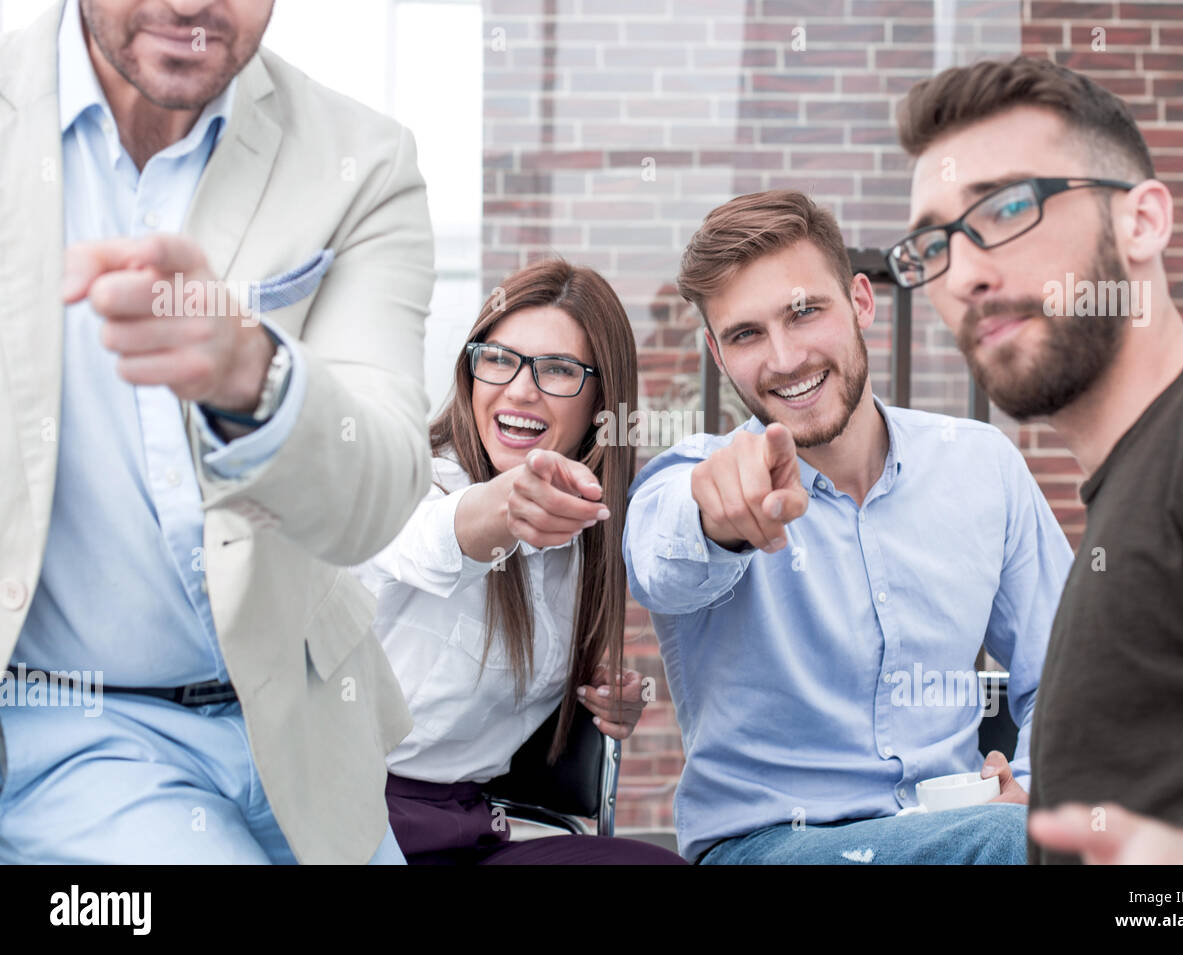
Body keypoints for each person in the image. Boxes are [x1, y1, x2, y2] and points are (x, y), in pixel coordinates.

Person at [0, 0, 436, 863]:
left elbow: (381, 485)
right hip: (79, 738)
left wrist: (255, 374)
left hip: (308, 738)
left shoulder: (364, 161)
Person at [893, 56, 1183, 864]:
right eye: (933, 244)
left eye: (1007, 207)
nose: (966, 272)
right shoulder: (1126, 494)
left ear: (1141, 222)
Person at [622, 190, 1074, 865]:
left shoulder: (982, 467)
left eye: (804, 312)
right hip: (767, 847)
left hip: (952, 831)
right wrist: (721, 521)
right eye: (747, 334)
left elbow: (1074, 667)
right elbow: (663, 560)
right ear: (718, 354)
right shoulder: (698, 475)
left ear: (862, 302)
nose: (783, 357)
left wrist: (1035, 789)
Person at [354, 259, 686, 864]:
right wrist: (504, 511)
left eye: (558, 369)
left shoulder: (589, 537)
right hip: (343, 822)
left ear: (602, 402)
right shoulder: (410, 479)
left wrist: (598, 699)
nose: (520, 389)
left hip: (468, 829)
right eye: (499, 358)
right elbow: (427, 540)